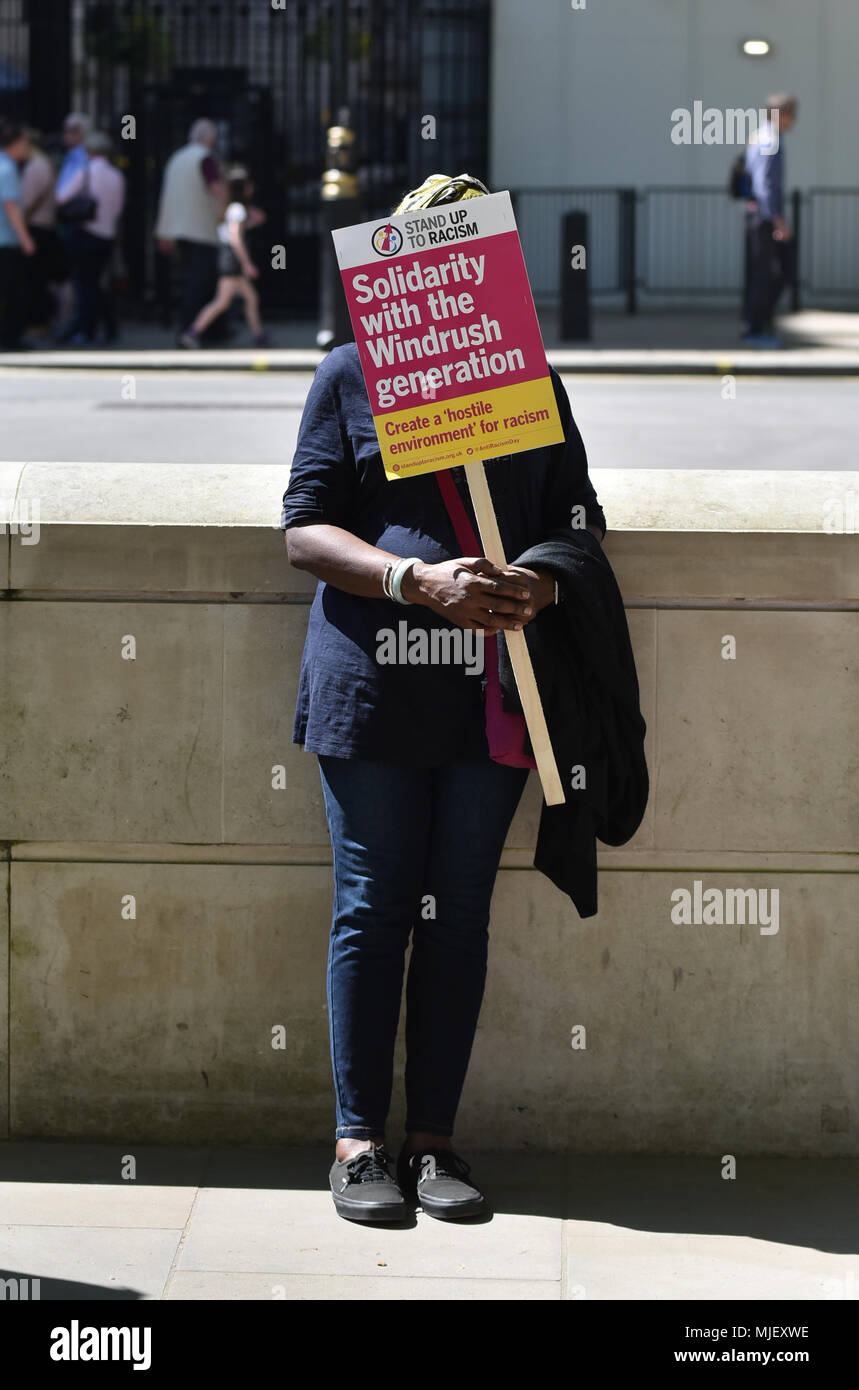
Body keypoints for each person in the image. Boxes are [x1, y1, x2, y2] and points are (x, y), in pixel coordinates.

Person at [281, 173, 608, 1223]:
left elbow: (576, 518)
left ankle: (433, 1141)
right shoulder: (348, 376)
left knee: (456, 911)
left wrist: (542, 580)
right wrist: (412, 580)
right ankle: (357, 1141)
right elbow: (303, 527)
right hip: (372, 694)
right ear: (399, 268)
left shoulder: (532, 385)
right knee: (375, 908)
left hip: (493, 697)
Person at [179, 166, 269, 348]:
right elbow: (235, 238)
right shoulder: (237, 209)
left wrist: (250, 223)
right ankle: (191, 333)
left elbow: (233, 231)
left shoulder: (233, 208)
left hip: (229, 259)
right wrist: (247, 263)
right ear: (242, 188)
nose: (252, 188)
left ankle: (259, 336)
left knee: (248, 298)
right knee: (222, 302)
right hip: (231, 260)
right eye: (248, 185)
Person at [154, 118, 226, 340]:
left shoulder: (177, 157)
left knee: (199, 282)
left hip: (179, 230)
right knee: (201, 284)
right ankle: (188, 329)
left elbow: (167, 197)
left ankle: (210, 330)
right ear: (211, 139)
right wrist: (227, 210)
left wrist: (164, 231)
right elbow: (217, 190)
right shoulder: (205, 158)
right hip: (201, 229)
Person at [56, 131, 125, 345]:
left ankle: (87, 330)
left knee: (85, 285)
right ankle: (110, 327)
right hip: (107, 235)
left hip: (86, 233)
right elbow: (118, 209)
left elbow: (60, 197)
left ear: (90, 151)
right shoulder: (116, 175)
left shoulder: (86, 171)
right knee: (96, 283)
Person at [742, 94, 798, 348]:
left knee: (768, 273)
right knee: (770, 274)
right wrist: (777, 220)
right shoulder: (769, 140)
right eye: (791, 113)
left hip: (760, 216)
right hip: (764, 218)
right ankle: (756, 328)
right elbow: (764, 184)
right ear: (779, 114)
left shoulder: (763, 136)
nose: (794, 119)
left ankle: (759, 324)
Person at [19, 129, 63, 341]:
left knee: (34, 280)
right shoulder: (42, 164)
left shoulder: (37, 167)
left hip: (37, 228)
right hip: (42, 228)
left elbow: (25, 203)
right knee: (38, 280)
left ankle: (38, 323)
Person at [0, 120, 34, 350]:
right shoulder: (7, 167)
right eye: (25, 141)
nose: (27, 146)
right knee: (12, 292)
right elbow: (10, 204)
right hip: (5, 241)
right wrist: (26, 239)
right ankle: (10, 337)